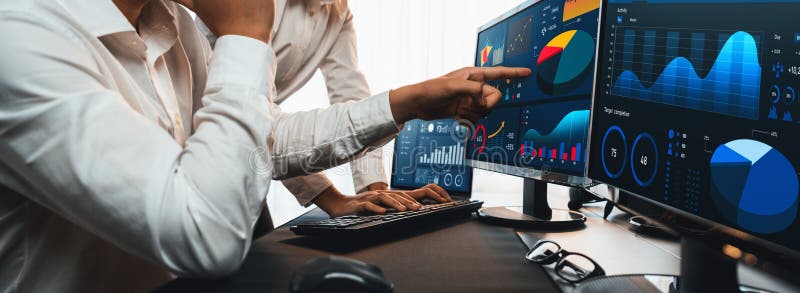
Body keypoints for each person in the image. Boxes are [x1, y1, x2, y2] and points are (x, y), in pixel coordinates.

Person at [0, 0, 530, 291]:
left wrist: (405, 104)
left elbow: (266, 138)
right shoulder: (20, 36)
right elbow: (202, 234)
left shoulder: (170, 22)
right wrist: (247, 36)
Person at [195, 0, 435, 222]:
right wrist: (331, 198)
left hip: (247, 152)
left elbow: (352, 94)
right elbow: (244, 111)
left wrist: (376, 190)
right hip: (198, 152)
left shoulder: (338, 12)